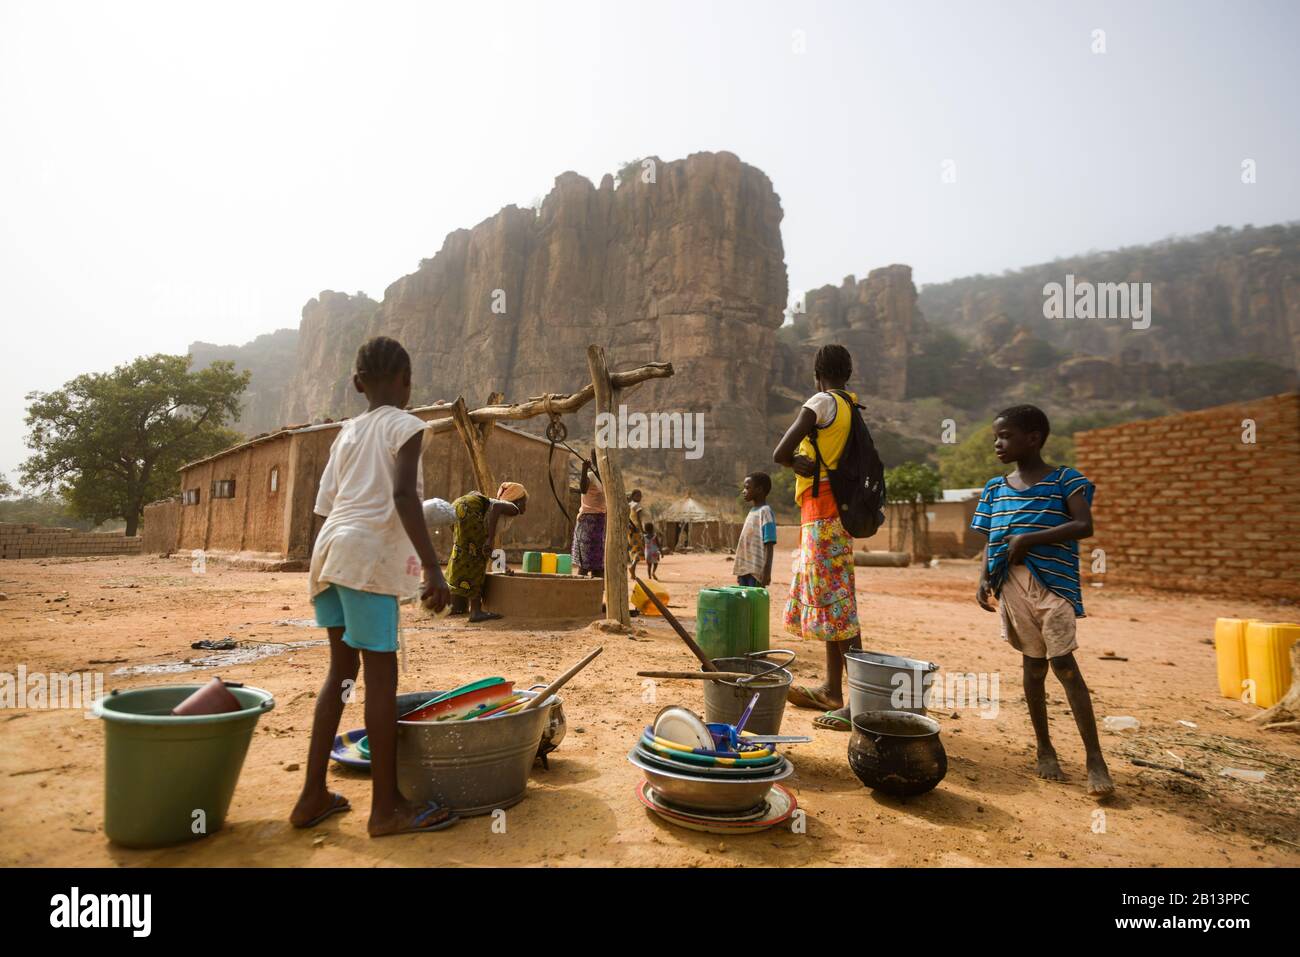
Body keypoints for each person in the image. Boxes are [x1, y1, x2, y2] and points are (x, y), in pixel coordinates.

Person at [291, 336, 457, 836]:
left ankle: (311, 796)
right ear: (407, 382)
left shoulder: (346, 433)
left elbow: (324, 508)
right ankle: (386, 810)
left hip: (330, 556)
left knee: (341, 674)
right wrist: (432, 568)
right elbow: (404, 494)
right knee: (382, 681)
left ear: (357, 384)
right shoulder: (407, 426)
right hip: (364, 562)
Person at [972, 404, 1114, 797]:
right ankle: (1045, 749)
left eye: (1005, 436)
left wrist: (1028, 540)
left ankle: (1094, 759)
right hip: (1011, 587)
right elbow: (990, 542)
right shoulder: (995, 489)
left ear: (1033, 438)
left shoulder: (1066, 480)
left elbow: (1084, 525)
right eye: (996, 437)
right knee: (1033, 668)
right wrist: (984, 578)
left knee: (1065, 664)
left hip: (1054, 586)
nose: (998, 444)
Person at [772, 344, 862, 731]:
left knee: (840, 607)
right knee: (832, 600)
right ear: (849, 372)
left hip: (824, 512)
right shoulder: (851, 405)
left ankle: (857, 703)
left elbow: (780, 451)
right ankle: (831, 689)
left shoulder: (821, 402)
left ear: (816, 372)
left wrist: (793, 462)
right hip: (832, 512)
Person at [447, 482, 528, 622]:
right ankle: (476, 611)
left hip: (458, 506)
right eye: (525, 502)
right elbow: (496, 508)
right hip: (470, 508)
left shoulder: (493, 510)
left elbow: (485, 549)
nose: (525, 507)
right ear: (518, 500)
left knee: (462, 555)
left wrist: (503, 567)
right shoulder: (512, 508)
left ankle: (455, 605)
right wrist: (490, 539)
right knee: (476, 560)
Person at [734, 471, 777, 587]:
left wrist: (766, 572)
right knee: (744, 603)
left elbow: (769, 544)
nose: (744, 491)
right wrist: (740, 571)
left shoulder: (765, 512)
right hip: (745, 570)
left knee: (753, 603)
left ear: (759, 489)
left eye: (747, 488)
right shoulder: (752, 512)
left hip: (756, 572)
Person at [571, 453, 606, 577]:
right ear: (594, 460)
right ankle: (579, 593)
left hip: (600, 522)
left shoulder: (606, 478)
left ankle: (596, 593)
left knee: (599, 565)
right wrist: (584, 469)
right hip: (587, 522)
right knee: (585, 563)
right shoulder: (590, 476)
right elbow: (583, 489)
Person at [626, 489, 645, 579]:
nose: (640, 497)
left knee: (632, 550)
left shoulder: (629, 505)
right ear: (633, 496)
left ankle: (633, 572)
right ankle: (632, 567)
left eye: (640, 496)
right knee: (639, 551)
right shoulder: (637, 506)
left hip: (630, 530)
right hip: (636, 530)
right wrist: (642, 530)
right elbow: (639, 519)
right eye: (638, 495)